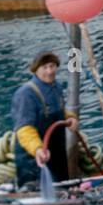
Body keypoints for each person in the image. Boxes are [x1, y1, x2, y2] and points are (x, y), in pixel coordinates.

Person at [10, 52, 73, 188]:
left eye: (52, 66)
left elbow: (58, 111)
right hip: (34, 159)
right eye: (45, 67)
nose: (50, 71)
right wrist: (38, 149)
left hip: (56, 152)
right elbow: (24, 129)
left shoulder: (56, 87)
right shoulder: (26, 94)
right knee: (39, 192)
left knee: (64, 186)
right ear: (35, 69)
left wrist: (70, 118)